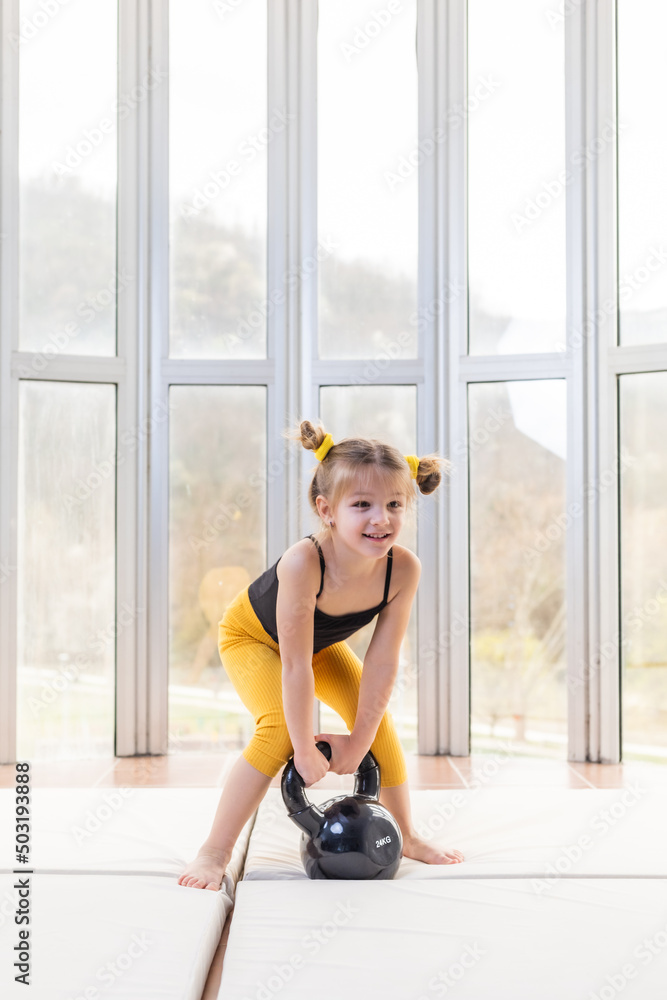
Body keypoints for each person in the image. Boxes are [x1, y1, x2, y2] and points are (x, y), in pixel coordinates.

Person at [178, 419, 464, 890]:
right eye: (362, 505)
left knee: (378, 725)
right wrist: (306, 747)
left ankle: (408, 835)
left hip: (318, 644)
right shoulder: (304, 562)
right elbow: (293, 664)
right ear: (326, 510)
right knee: (278, 730)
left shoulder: (402, 569)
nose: (382, 519)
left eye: (395, 504)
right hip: (254, 638)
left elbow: (383, 661)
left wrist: (359, 740)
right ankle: (214, 851)